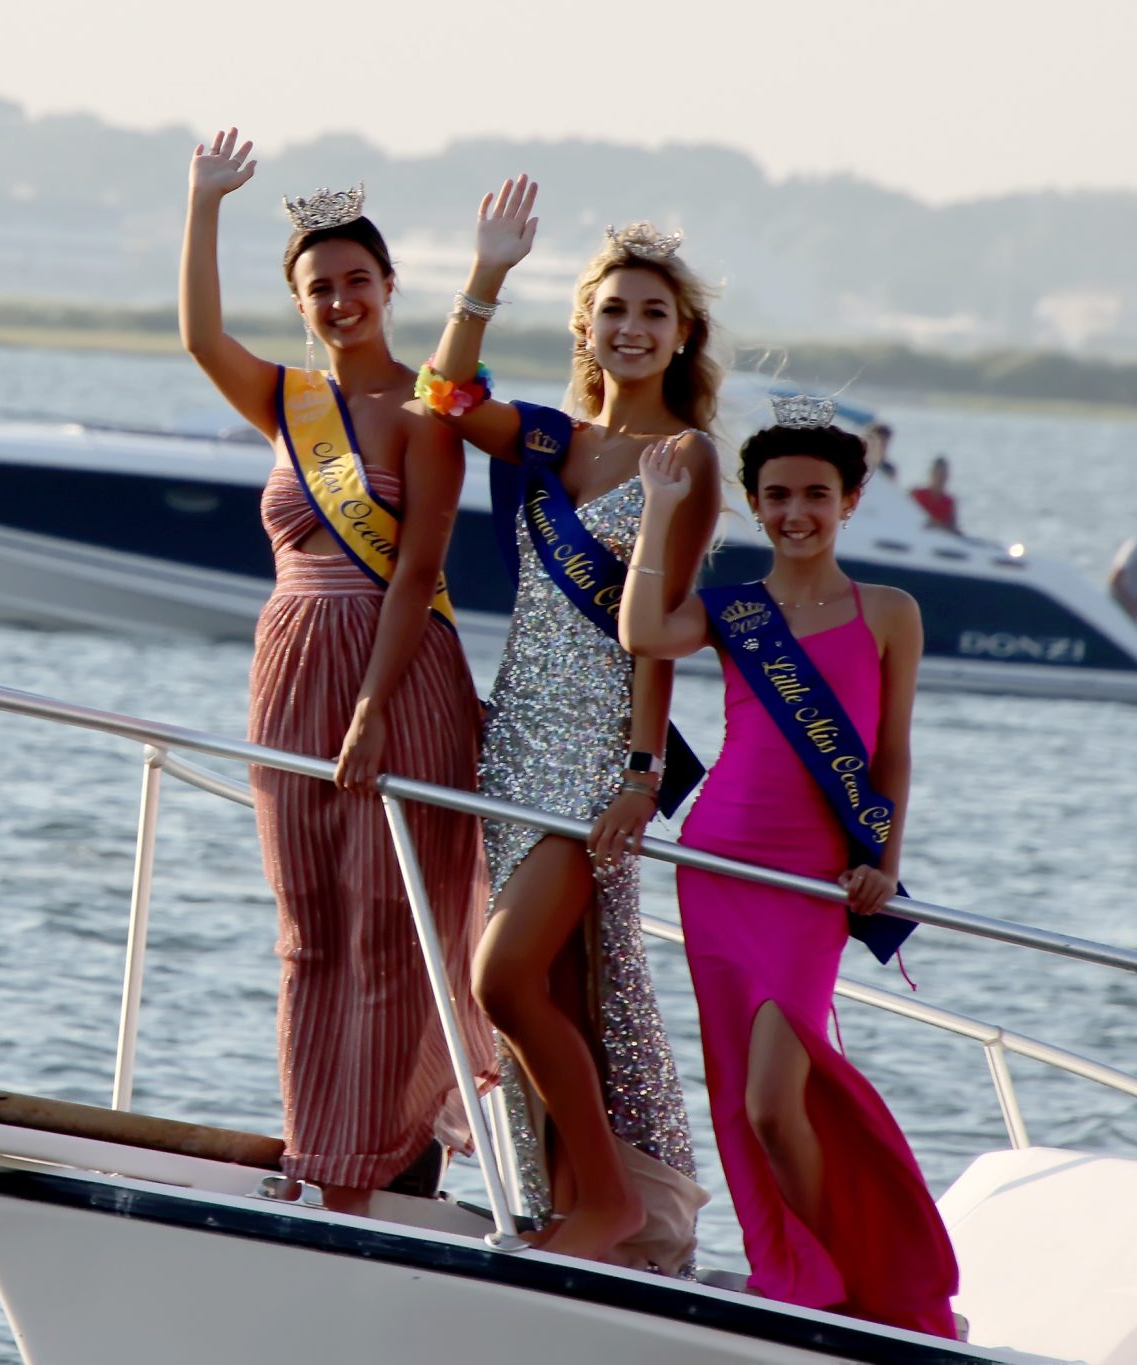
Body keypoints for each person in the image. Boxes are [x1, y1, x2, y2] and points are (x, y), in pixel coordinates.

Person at [177, 128, 493, 1215]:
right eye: (320, 287)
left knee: (387, 919)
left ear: (390, 287)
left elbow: (418, 574)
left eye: (357, 280)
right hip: (289, 663)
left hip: (397, 675)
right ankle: (319, 1145)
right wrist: (205, 202)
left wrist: (368, 710)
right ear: (301, 302)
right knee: (307, 923)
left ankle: (390, 1154)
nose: (340, 300)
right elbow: (198, 334)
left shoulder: (427, 413)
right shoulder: (284, 401)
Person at [419, 175, 718, 1267]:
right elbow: (446, 398)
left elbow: (656, 635)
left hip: (594, 751)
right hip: (513, 744)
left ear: (681, 335)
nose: (632, 328)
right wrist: (487, 273)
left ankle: (613, 1200)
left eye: (654, 312)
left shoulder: (683, 458)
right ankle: (563, 1199)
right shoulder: (549, 443)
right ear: (583, 326)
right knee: (543, 984)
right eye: (613, 309)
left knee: (501, 978)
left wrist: (639, 772)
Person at [619, 403, 960, 1336]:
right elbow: (643, 632)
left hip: (812, 883)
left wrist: (882, 862)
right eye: (776, 496)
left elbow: (892, 754)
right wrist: (659, 508)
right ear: (756, 504)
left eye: (815, 494)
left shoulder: (889, 611)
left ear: (850, 501)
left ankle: (852, 1281)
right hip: (718, 862)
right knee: (741, 1094)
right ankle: (805, 1278)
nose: (795, 512)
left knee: (777, 1102)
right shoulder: (733, 610)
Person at [911, 454, 961, 532]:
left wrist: (938, 525)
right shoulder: (917, 495)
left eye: (944, 475)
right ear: (932, 474)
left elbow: (953, 530)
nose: (941, 478)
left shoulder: (949, 502)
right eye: (939, 474)